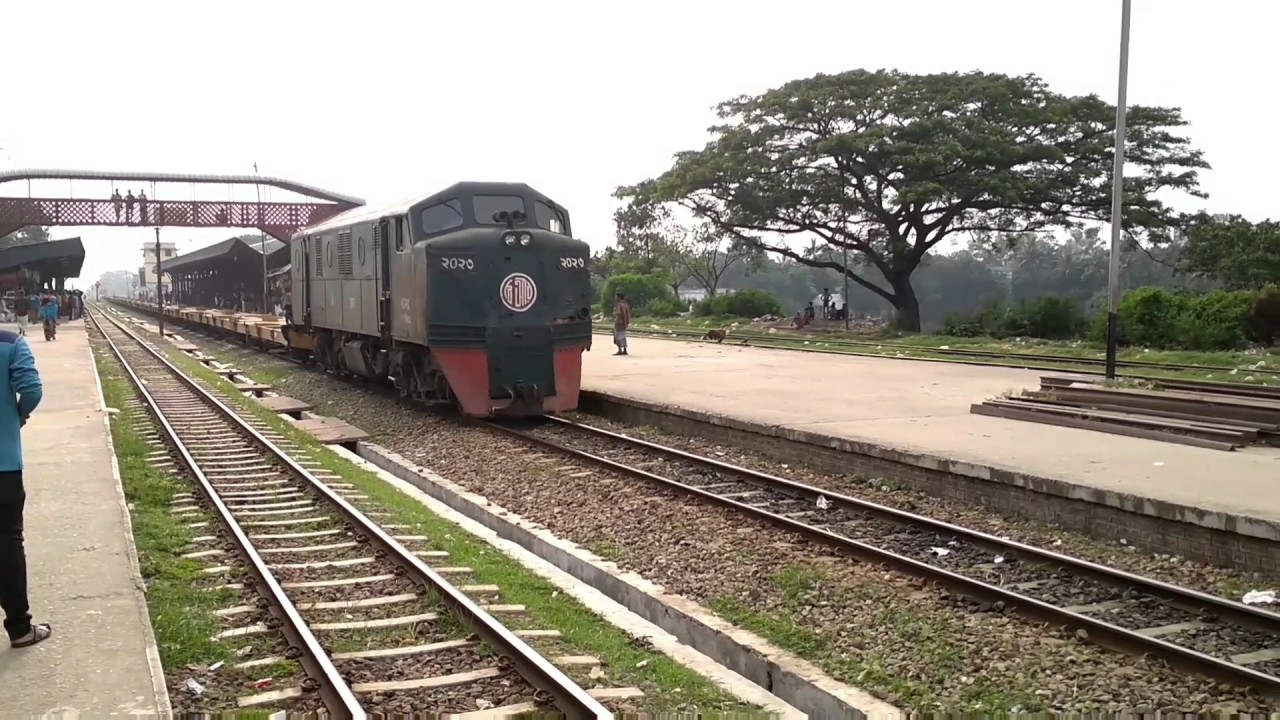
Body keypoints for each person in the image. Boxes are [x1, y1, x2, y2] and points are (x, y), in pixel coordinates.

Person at [0, 326, 49, 648]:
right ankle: (19, 628)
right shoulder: (10, 343)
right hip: (2, 464)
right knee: (6, 542)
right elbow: (31, 390)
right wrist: (16, 415)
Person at [612, 292, 630, 356]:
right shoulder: (626, 304)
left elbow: (621, 314)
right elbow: (627, 314)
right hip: (623, 322)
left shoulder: (620, 305)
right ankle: (625, 350)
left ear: (619, 298)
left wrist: (615, 314)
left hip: (619, 322)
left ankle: (620, 350)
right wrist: (627, 322)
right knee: (623, 336)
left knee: (618, 337)